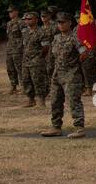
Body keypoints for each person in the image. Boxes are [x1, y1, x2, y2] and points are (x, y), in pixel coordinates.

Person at [42, 10, 89, 138]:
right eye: (58, 22)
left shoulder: (75, 38)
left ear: (69, 23)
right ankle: (56, 127)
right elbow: (52, 56)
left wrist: (74, 64)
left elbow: (84, 53)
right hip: (57, 74)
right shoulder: (56, 38)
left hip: (71, 74)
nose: (60, 25)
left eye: (63, 22)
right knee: (55, 100)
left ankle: (79, 128)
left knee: (73, 101)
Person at [19, 10, 49, 107]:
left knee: (38, 80)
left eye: (30, 19)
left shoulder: (41, 32)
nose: (27, 21)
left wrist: (39, 57)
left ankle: (41, 100)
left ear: (36, 20)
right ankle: (31, 100)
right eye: (26, 19)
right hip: (26, 60)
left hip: (36, 60)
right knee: (26, 80)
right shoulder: (25, 32)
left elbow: (46, 47)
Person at [4, 6, 24, 94]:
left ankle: (24, 87)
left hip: (18, 49)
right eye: (9, 12)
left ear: (16, 12)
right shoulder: (8, 23)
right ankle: (13, 86)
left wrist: (22, 47)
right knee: (10, 68)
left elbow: (24, 36)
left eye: (11, 11)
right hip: (10, 49)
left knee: (20, 68)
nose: (10, 13)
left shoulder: (21, 22)